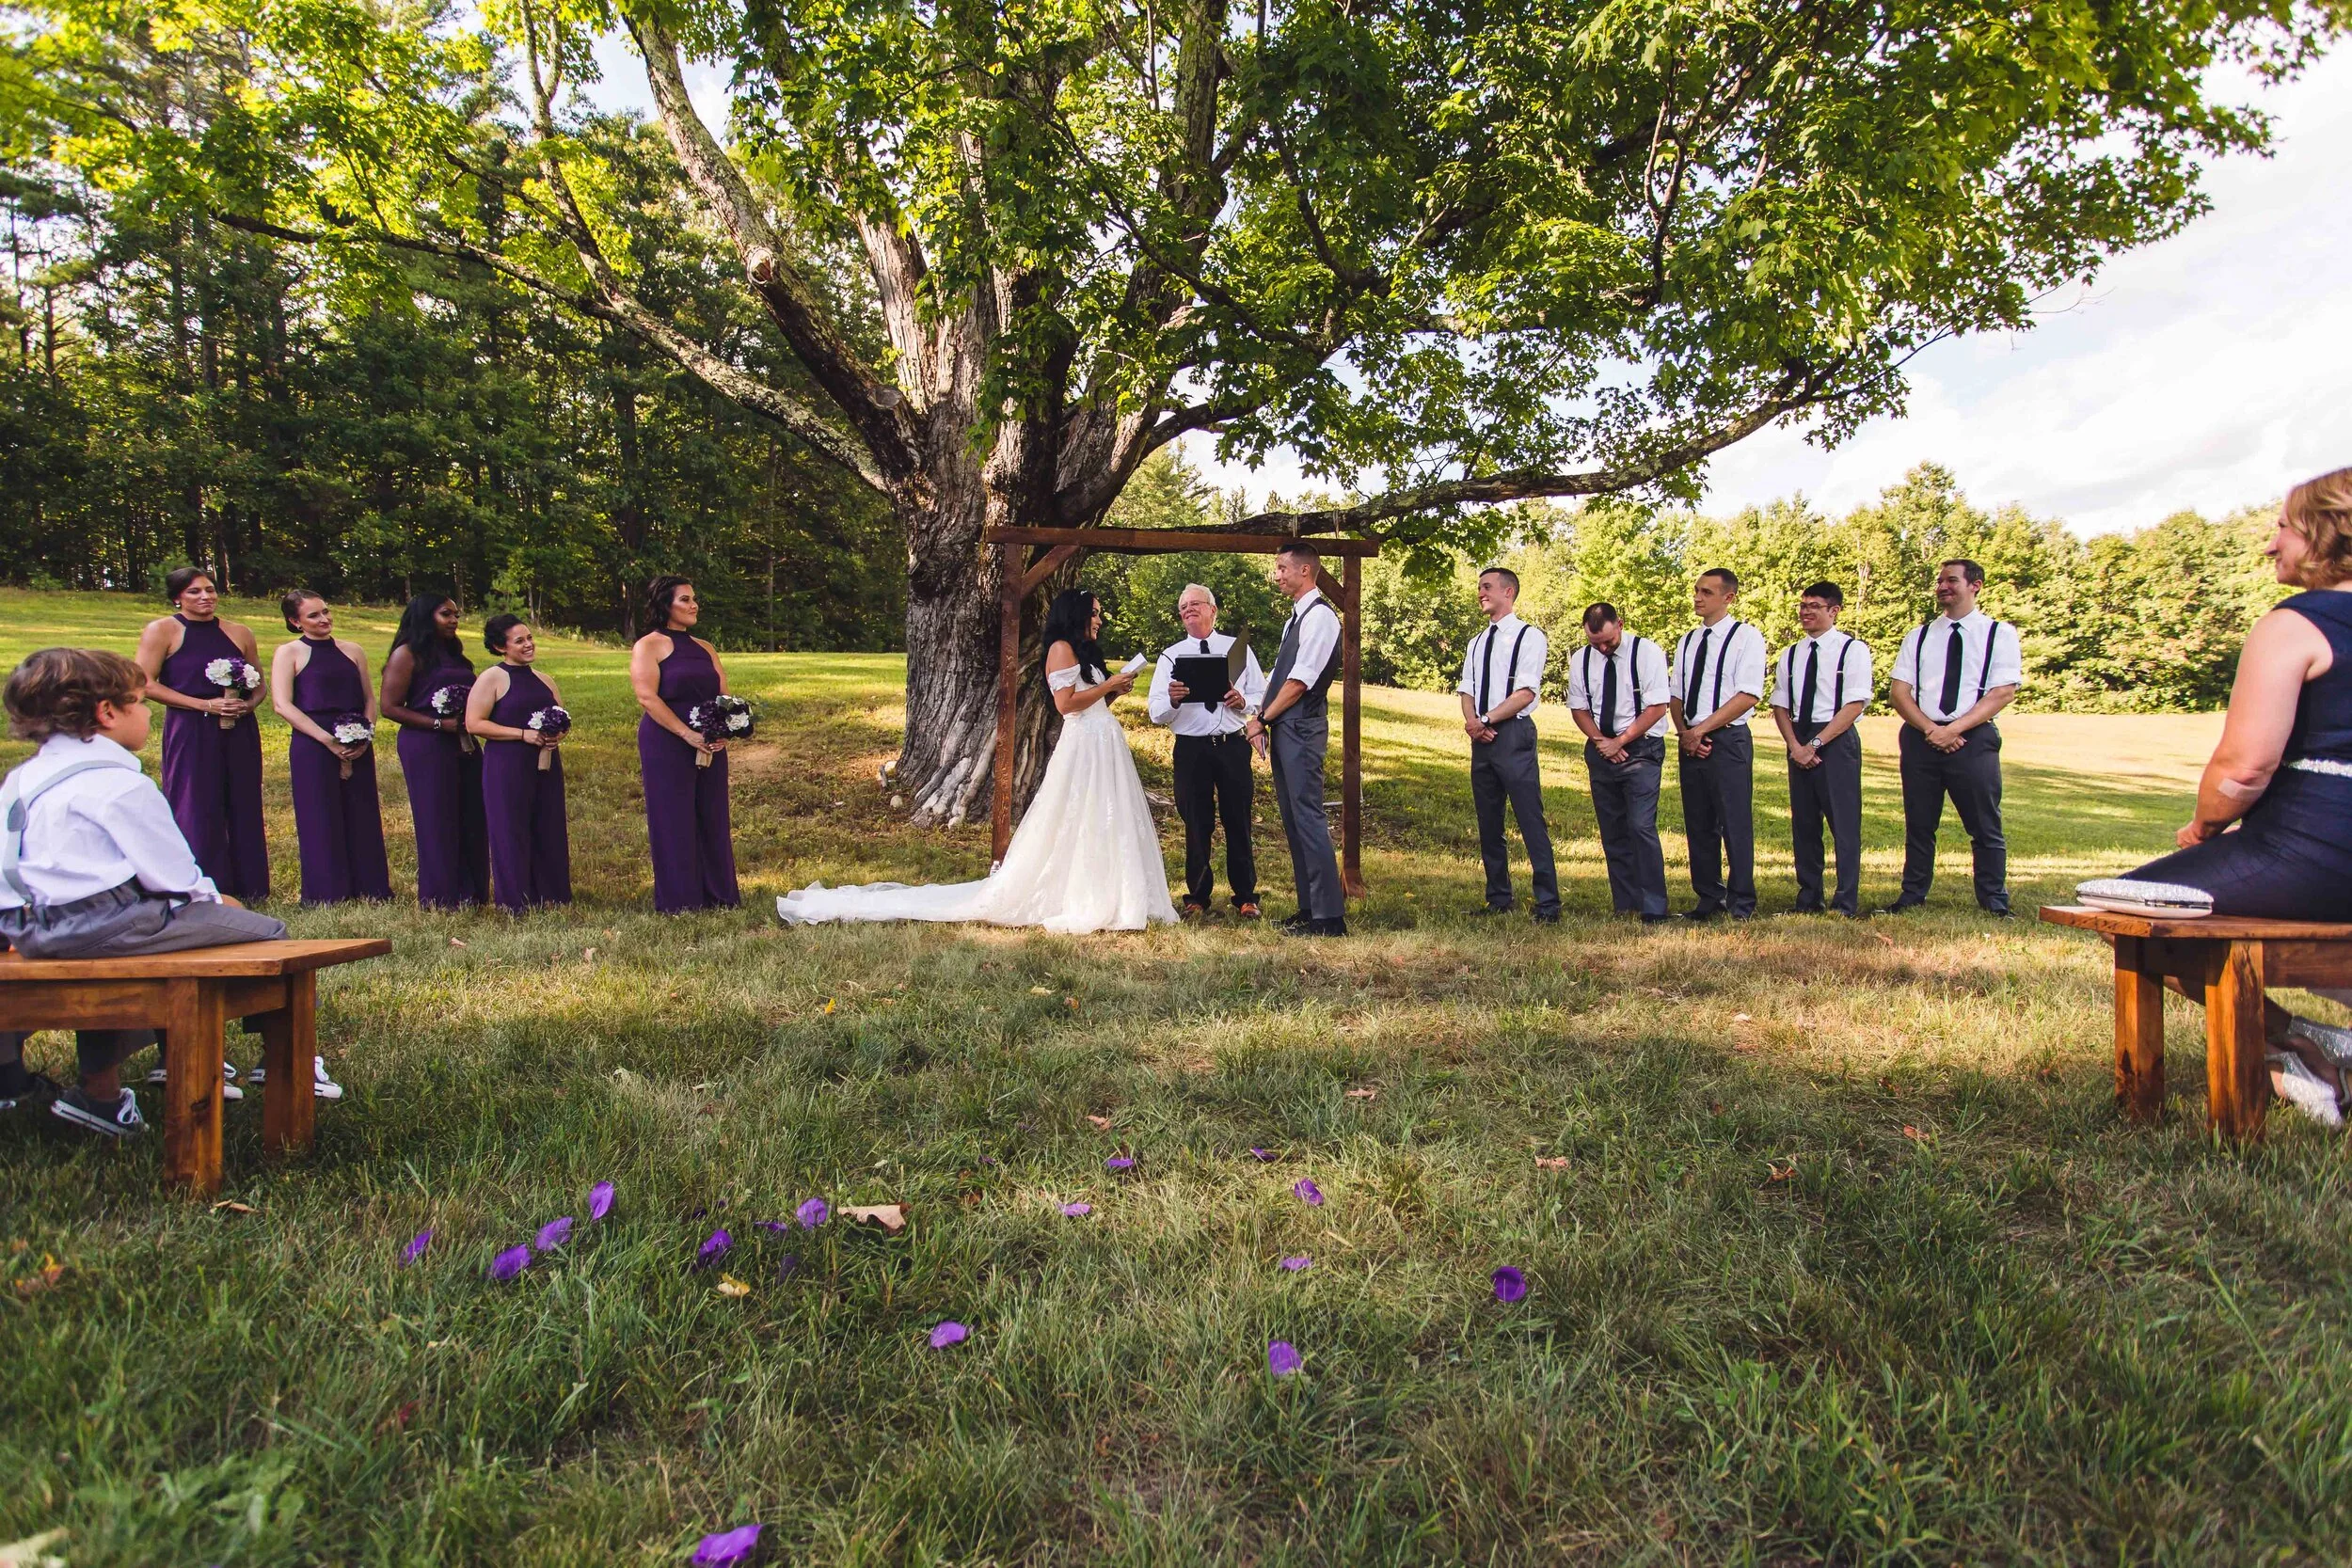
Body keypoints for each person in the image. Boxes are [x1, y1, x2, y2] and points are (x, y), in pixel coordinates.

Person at [2096, 468, 2352, 1124]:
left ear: (2326, 533)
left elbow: (2244, 767)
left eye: (2284, 528)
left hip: (2313, 854)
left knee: (2121, 906)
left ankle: (2292, 1040)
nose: (2272, 545)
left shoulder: (2296, 623)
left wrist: (2207, 828)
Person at [0, 648, 291, 1136]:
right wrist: (217, 903)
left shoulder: (20, 779)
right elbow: (174, 879)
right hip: (109, 922)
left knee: (111, 963)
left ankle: (101, 1096)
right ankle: (283, 1065)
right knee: (266, 930)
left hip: (30, 926)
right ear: (107, 713)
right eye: (140, 703)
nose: (149, 712)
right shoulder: (118, 783)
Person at [775, 589, 1177, 932]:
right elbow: (1065, 704)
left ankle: (1115, 892)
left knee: (1106, 816)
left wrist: (1115, 690)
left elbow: (1091, 702)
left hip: (1102, 742)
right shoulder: (1059, 649)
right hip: (1083, 747)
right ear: (1076, 614)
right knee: (1079, 814)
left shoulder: (1084, 652)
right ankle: (1079, 895)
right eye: (1095, 613)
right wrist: (1107, 684)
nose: (1100, 620)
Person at [1883, 559, 2023, 917]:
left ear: (1975, 585)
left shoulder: (1998, 633)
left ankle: (1993, 899)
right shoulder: (1920, 635)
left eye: (1951, 580)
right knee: (1919, 823)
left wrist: (1954, 729)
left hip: (1972, 739)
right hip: (1921, 736)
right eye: (1940, 581)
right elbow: (1900, 692)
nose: (1942, 586)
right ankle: (1912, 895)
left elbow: (2002, 692)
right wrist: (1932, 730)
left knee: (1984, 824)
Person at [132, 565, 269, 901]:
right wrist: (203, 706)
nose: (206, 597)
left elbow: (260, 684)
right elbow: (145, 683)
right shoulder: (162, 631)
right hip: (191, 727)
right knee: (196, 803)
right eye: (195, 591)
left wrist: (246, 705)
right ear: (178, 597)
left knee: (243, 800)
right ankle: (201, 885)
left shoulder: (240, 632)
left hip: (239, 728)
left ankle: (250, 886)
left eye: (210, 589)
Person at [1244, 542, 1347, 937]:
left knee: (1308, 817)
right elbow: (1277, 677)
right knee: (1292, 819)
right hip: (1285, 726)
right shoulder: (1295, 618)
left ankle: (1329, 917)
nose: (1277, 575)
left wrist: (1262, 720)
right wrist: (1259, 716)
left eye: (1283, 568)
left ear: (1306, 571)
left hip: (1302, 727)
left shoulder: (1321, 618)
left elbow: (1300, 682)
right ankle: (1309, 907)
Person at [1147, 582, 1266, 919]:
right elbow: (1156, 711)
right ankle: (1197, 896)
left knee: (1238, 820)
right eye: (1183, 607)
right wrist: (1172, 699)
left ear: (1213, 610)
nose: (1188, 610)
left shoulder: (1237, 650)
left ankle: (1246, 897)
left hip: (1231, 746)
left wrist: (1244, 701)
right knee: (1196, 822)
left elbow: (1261, 694)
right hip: (1191, 750)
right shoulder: (1170, 656)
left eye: (1195, 604)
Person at [271, 591, 392, 906]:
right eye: (313, 615)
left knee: (362, 812)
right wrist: (327, 740)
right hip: (313, 743)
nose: (324, 619)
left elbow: (368, 699)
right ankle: (327, 891)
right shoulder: (289, 653)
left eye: (325, 611)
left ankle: (371, 886)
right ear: (295, 621)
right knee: (319, 815)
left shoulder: (352, 650)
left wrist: (365, 735)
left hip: (357, 739)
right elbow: (283, 704)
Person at [631, 577, 741, 913]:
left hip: (710, 741)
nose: (694, 605)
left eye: (694, 599)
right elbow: (647, 696)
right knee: (672, 816)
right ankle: (681, 900)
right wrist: (686, 733)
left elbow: (722, 692)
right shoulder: (648, 645)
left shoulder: (706, 647)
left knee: (713, 814)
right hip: (667, 741)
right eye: (685, 600)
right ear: (666, 604)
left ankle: (719, 894)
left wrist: (723, 728)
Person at [1455, 566, 1559, 922]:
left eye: (1486, 587)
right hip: (1480, 738)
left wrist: (1486, 720)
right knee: (1489, 821)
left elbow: (1526, 691)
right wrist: (1473, 722)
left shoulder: (1530, 637)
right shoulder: (1476, 642)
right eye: (1479, 587)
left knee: (1530, 818)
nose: (1480, 593)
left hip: (1512, 734)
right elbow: (1467, 688)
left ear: (1508, 592)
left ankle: (1548, 903)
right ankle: (1498, 897)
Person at [380, 593, 490, 910]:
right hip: (426, 744)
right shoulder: (407, 654)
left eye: (456, 614)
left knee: (472, 813)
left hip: (465, 742)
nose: (454, 620)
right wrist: (438, 724)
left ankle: (474, 891)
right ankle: (441, 895)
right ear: (426, 616)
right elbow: (389, 707)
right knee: (437, 817)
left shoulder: (455, 654)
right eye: (446, 614)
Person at [1769, 581, 1873, 917]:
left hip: (1835, 739)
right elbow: (1781, 705)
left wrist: (1815, 744)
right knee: (1804, 823)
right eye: (1803, 605)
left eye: (1814, 606)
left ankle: (1845, 900)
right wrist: (1795, 746)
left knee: (1843, 822)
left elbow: (1854, 705)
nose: (1806, 612)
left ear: (1834, 611)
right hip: (1799, 739)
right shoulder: (1791, 653)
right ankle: (1809, 897)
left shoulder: (1851, 650)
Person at [1669, 568, 1767, 921]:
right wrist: (1685, 733)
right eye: (1696, 590)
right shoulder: (1688, 641)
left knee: (1734, 821)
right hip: (1690, 739)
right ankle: (1708, 897)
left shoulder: (1747, 638)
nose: (1697, 597)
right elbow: (1676, 693)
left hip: (1727, 739)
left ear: (1728, 598)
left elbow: (1748, 695)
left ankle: (1742, 901)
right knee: (1698, 822)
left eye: (1706, 592)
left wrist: (1702, 731)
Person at [1567, 603, 1673, 924]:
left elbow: (1657, 706)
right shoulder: (1581, 659)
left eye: (1607, 642)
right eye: (1594, 642)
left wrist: (1621, 742)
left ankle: (1654, 906)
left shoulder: (1647, 652)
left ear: (1620, 625)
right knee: (1612, 829)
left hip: (1641, 749)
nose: (1601, 648)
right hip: (1601, 749)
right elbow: (1579, 708)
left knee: (1640, 826)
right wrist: (1602, 742)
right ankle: (1625, 903)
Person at [466, 614, 572, 911]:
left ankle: (551, 893)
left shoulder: (544, 680)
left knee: (548, 824)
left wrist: (557, 735)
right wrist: (522, 735)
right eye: (519, 640)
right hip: (507, 764)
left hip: (546, 763)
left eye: (530, 638)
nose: (529, 644)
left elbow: (562, 718)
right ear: (501, 647)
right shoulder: (492, 678)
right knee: (510, 828)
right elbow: (474, 723)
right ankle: (515, 899)